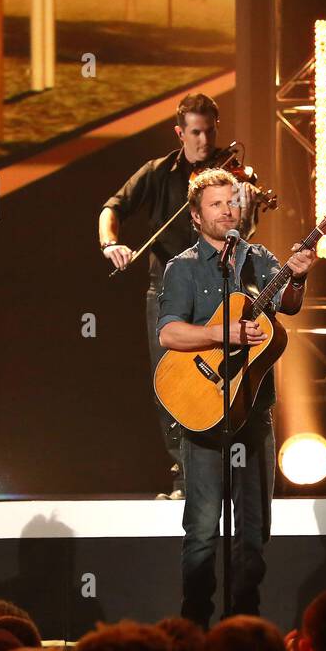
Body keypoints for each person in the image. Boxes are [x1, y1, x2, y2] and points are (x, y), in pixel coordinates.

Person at [156, 168, 315, 627]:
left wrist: (299, 277)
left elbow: (287, 304)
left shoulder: (258, 258)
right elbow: (168, 333)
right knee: (202, 532)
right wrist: (217, 333)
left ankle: (246, 625)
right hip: (202, 414)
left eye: (232, 202)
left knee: (253, 532)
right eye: (216, 204)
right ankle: (195, 628)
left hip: (254, 413)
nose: (228, 210)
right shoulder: (182, 267)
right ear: (195, 215)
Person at [100, 93, 235, 498]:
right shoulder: (158, 173)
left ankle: (225, 474)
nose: (204, 141)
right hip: (166, 291)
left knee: (222, 383)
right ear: (180, 132)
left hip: (217, 291)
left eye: (210, 131)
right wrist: (111, 244)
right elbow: (113, 208)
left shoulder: (229, 175)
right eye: (195, 132)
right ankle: (185, 479)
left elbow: (247, 226)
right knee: (169, 383)